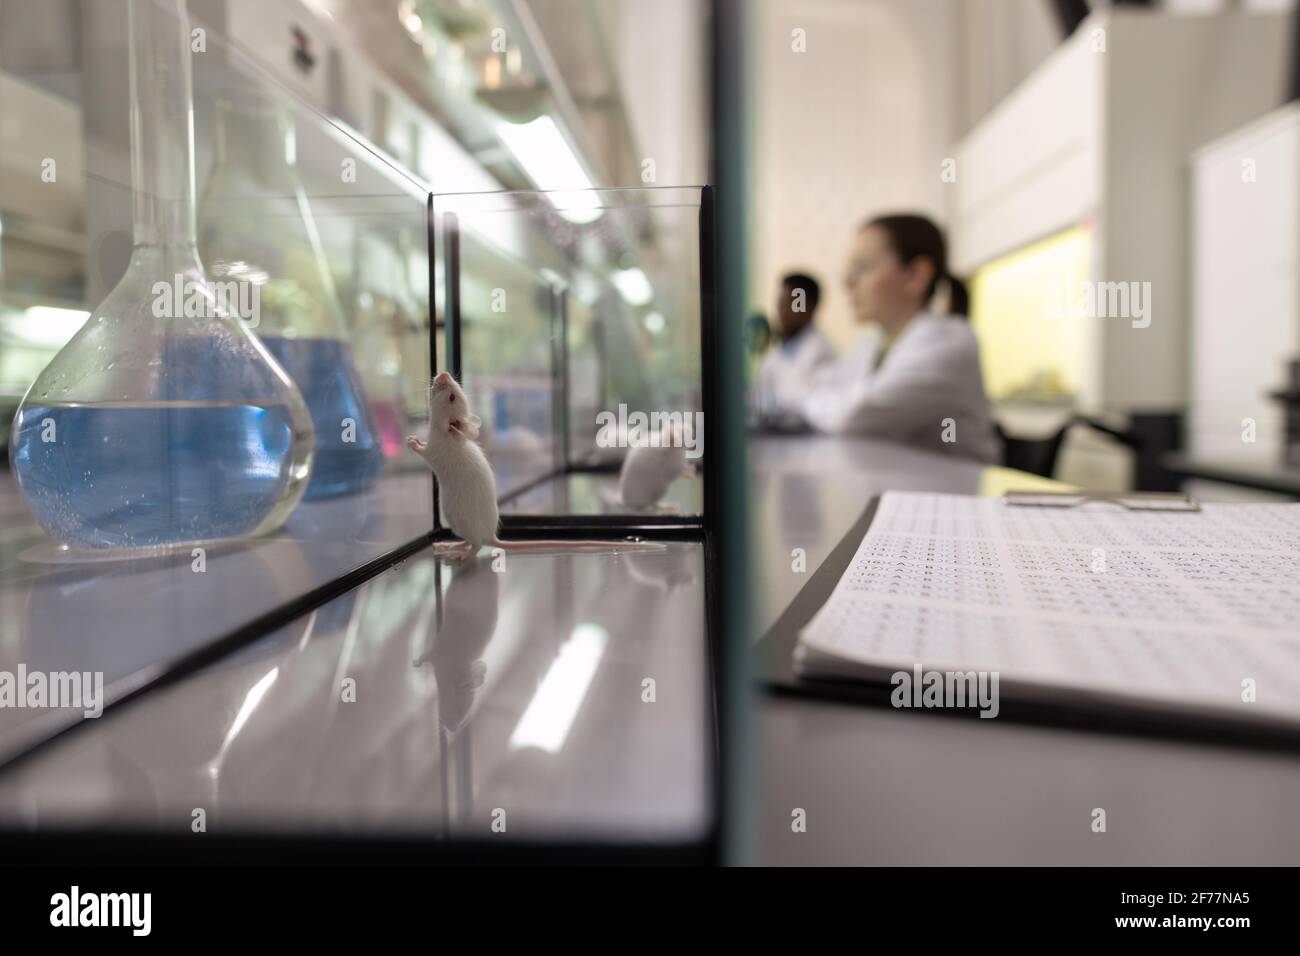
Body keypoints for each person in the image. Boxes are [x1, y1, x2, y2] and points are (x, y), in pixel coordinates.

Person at [768, 214, 999, 463]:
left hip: (956, 496)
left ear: (916, 276)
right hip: (901, 486)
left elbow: (853, 416)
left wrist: (800, 394)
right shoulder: (870, 345)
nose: (847, 282)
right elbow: (829, 391)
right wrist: (810, 396)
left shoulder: (950, 344)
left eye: (863, 268)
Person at [751, 272, 836, 428]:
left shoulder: (818, 351)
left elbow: (794, 404)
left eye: (788, 305)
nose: (780, 312)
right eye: (779, 304)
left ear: (808, 308)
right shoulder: (782, 348)